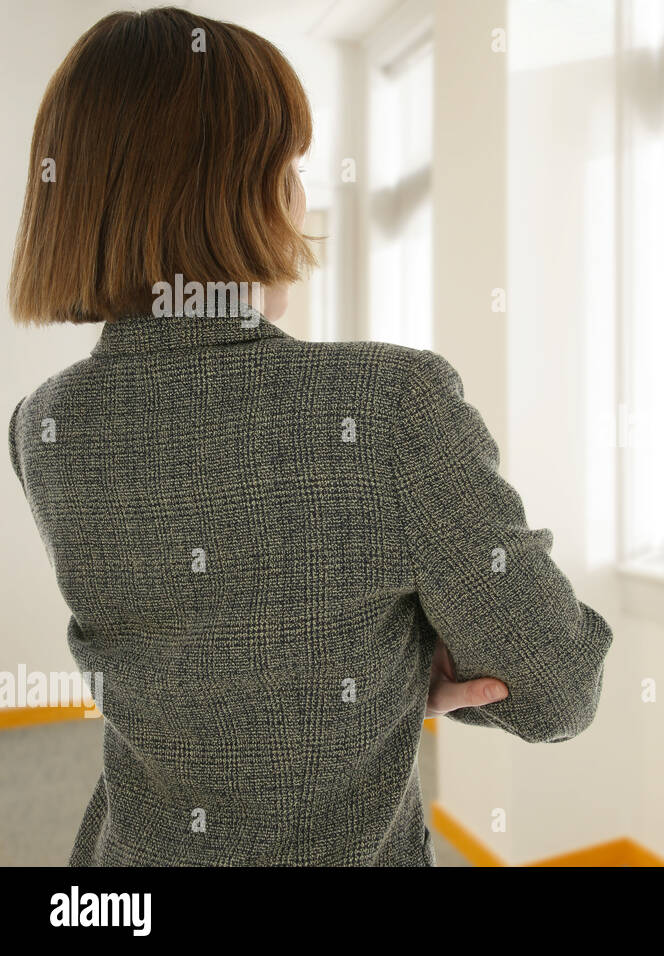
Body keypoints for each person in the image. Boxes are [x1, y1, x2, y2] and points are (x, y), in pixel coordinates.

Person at [6, 6, 613, 866]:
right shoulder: (392, 404)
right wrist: (405, 680)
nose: (301, 200)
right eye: (288, 167)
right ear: (227, 187)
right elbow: (560, 691)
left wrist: (376, 681)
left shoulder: (41, 429)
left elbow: (189, 654)